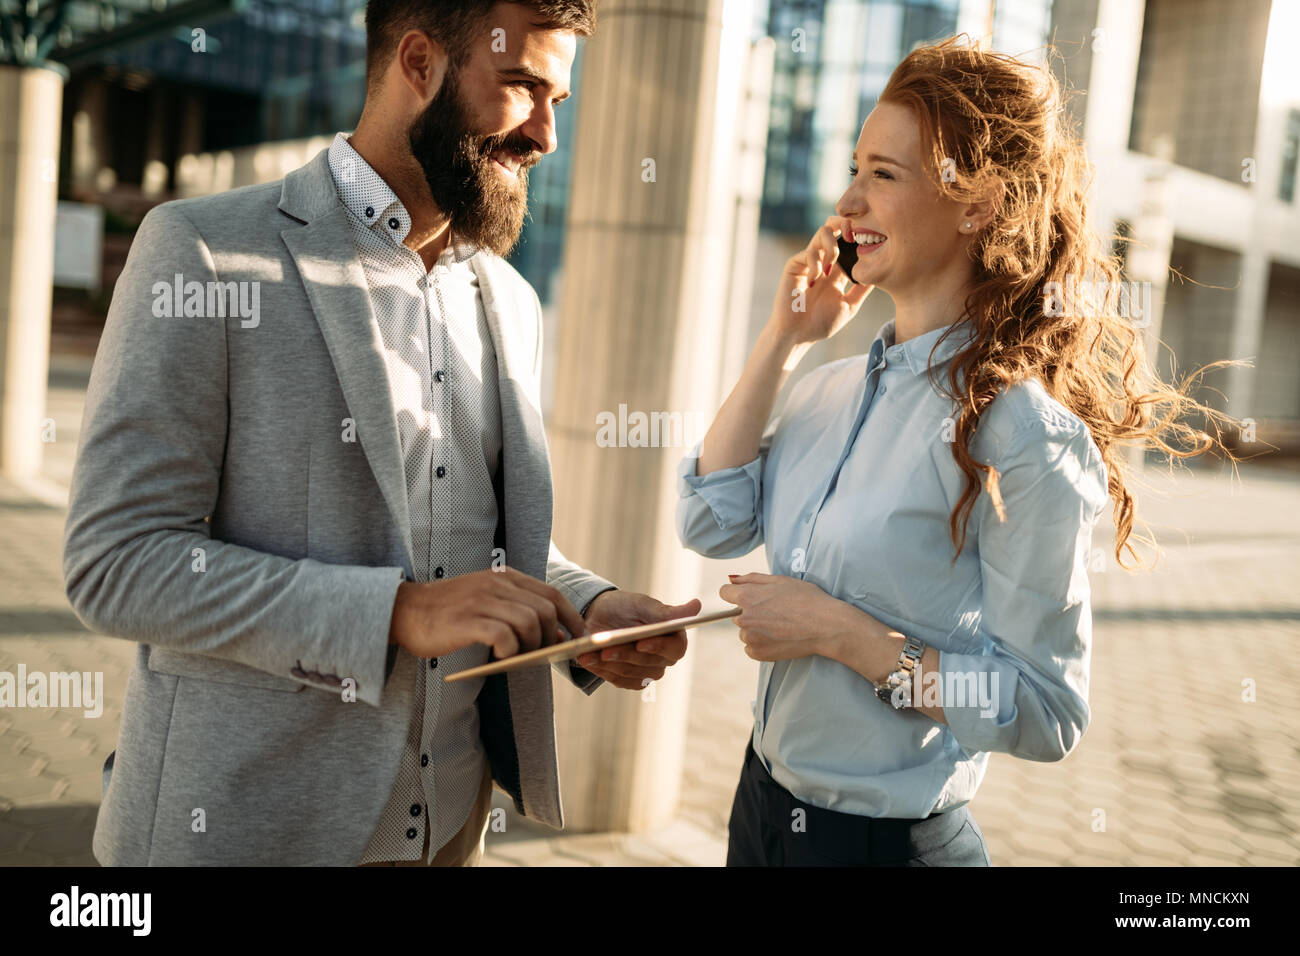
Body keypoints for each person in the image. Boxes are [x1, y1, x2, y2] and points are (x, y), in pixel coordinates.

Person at [62, 0, 699, 867]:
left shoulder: (510, 301)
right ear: (419, 63)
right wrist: (398, 613)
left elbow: (464, 542)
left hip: (446, 832)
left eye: (560, 100)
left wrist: (585, 606)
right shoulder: (203, 251)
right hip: (246, 829)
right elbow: (117, 562)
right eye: (522, 87)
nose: (547, 134)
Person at [676, 36, 1235, 867]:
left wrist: (841, 634)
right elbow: (709, 519)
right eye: (855, 167)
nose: (848, 200)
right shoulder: (828, 388)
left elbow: (1047, 709)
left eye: (884, 175)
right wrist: (782, 341)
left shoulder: (1024, 436)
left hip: (888, 849)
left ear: (976, 204)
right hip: (759, 812)